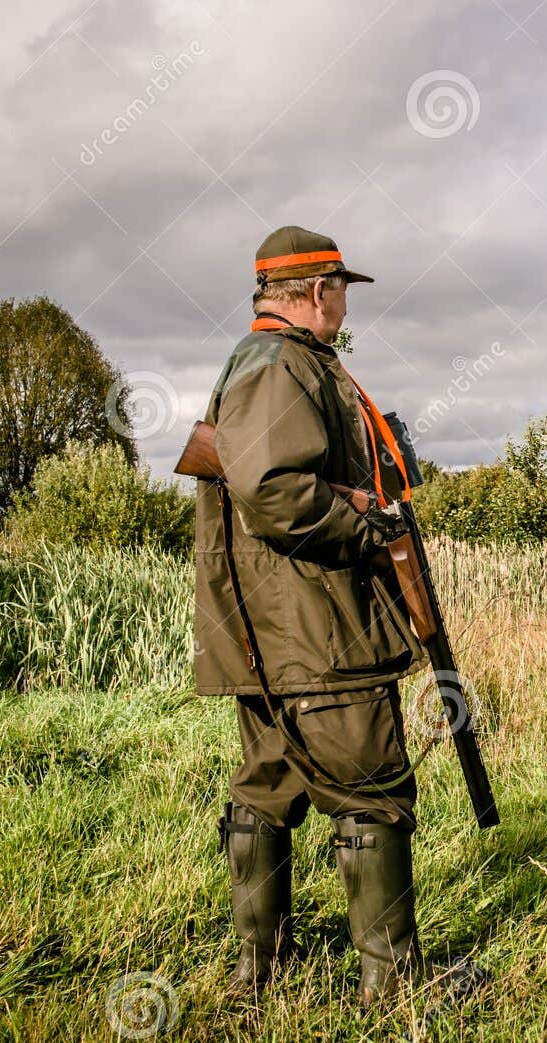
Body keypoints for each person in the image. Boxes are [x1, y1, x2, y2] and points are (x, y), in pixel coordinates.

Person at [192, 225, 425, 1001]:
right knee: (371, 785)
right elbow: (273, 490)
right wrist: (366, 528)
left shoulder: (271, 360)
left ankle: (263, 971)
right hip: (318, 627)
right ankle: (393, 987)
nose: (345, 305)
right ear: (318, 291)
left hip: (273, 633)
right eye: (342, 290)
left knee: (271, 781)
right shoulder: (281, 363)